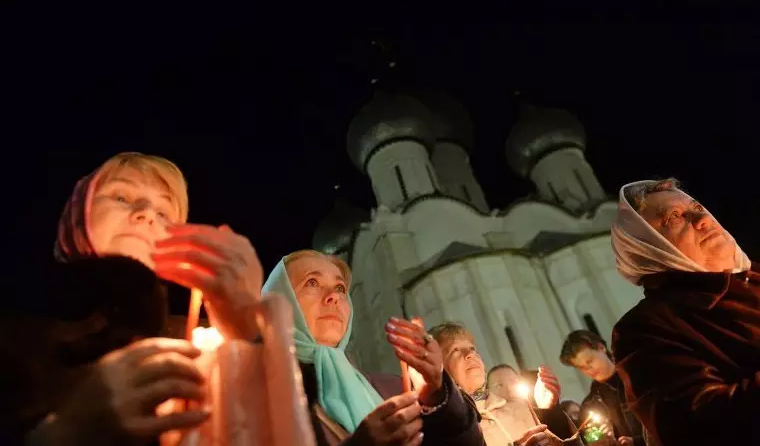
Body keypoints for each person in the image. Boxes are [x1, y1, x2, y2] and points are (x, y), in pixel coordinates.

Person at [1, 152, 264, 445]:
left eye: (164, 213)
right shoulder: (15, 330)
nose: (147, 213)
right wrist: (63, 433)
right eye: (122, 197)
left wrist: (248, 336)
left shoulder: (188, 346)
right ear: (78, 212)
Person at [260, 250, 485, 446]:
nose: (333, 297)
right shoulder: (257, 403)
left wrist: (437, 392)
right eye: (312, 282)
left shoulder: (391, 389)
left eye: (340, 288)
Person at [610, 178, 759, 446]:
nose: (702, 218)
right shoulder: (647, 329)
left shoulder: (755, 276)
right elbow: (702, 427)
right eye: (674, 217)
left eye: (698, 207)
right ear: (648, 247)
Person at [428, 321, 581, 446]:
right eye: (455, 350)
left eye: (473, 349)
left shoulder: (521, 408)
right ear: (439, 368)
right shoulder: (447, 429)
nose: (470, 355)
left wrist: (550, 412)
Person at [559, 330, 643, 446]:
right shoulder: (589, 405)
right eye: (581, 367)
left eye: (589, 361)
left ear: (601, 348)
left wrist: (637, 442)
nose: (589, 369)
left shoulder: (639, 378)